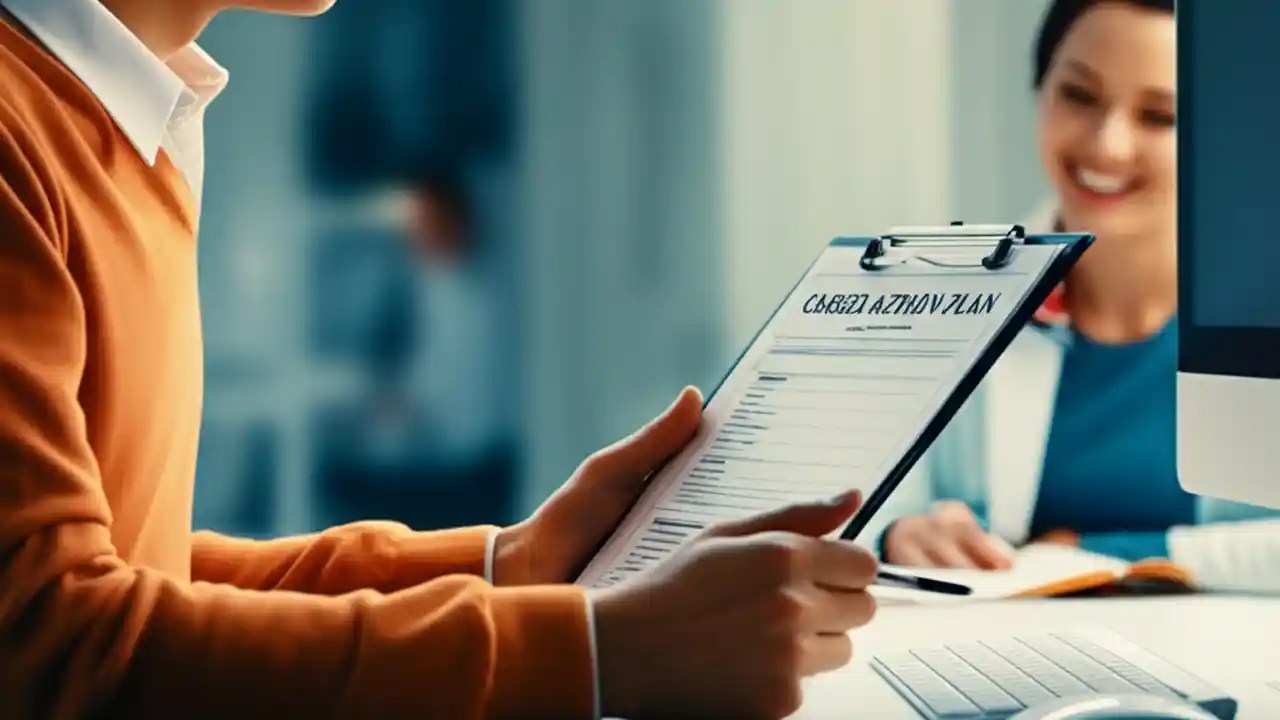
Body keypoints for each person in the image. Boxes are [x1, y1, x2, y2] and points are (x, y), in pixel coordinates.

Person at [0, 0, 878, 718]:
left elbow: (136, 569)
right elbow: (55, 644)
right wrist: (606, 650)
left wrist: (512, 562)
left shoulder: (114, 115)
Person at [881, 0, 1280, 592]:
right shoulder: (939, 298)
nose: (1108, 146)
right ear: (1039, 90)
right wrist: (899, 534)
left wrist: (1098, 554)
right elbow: (862, 501)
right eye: (1079, 95)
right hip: (1004, 664)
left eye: (1161, 116)